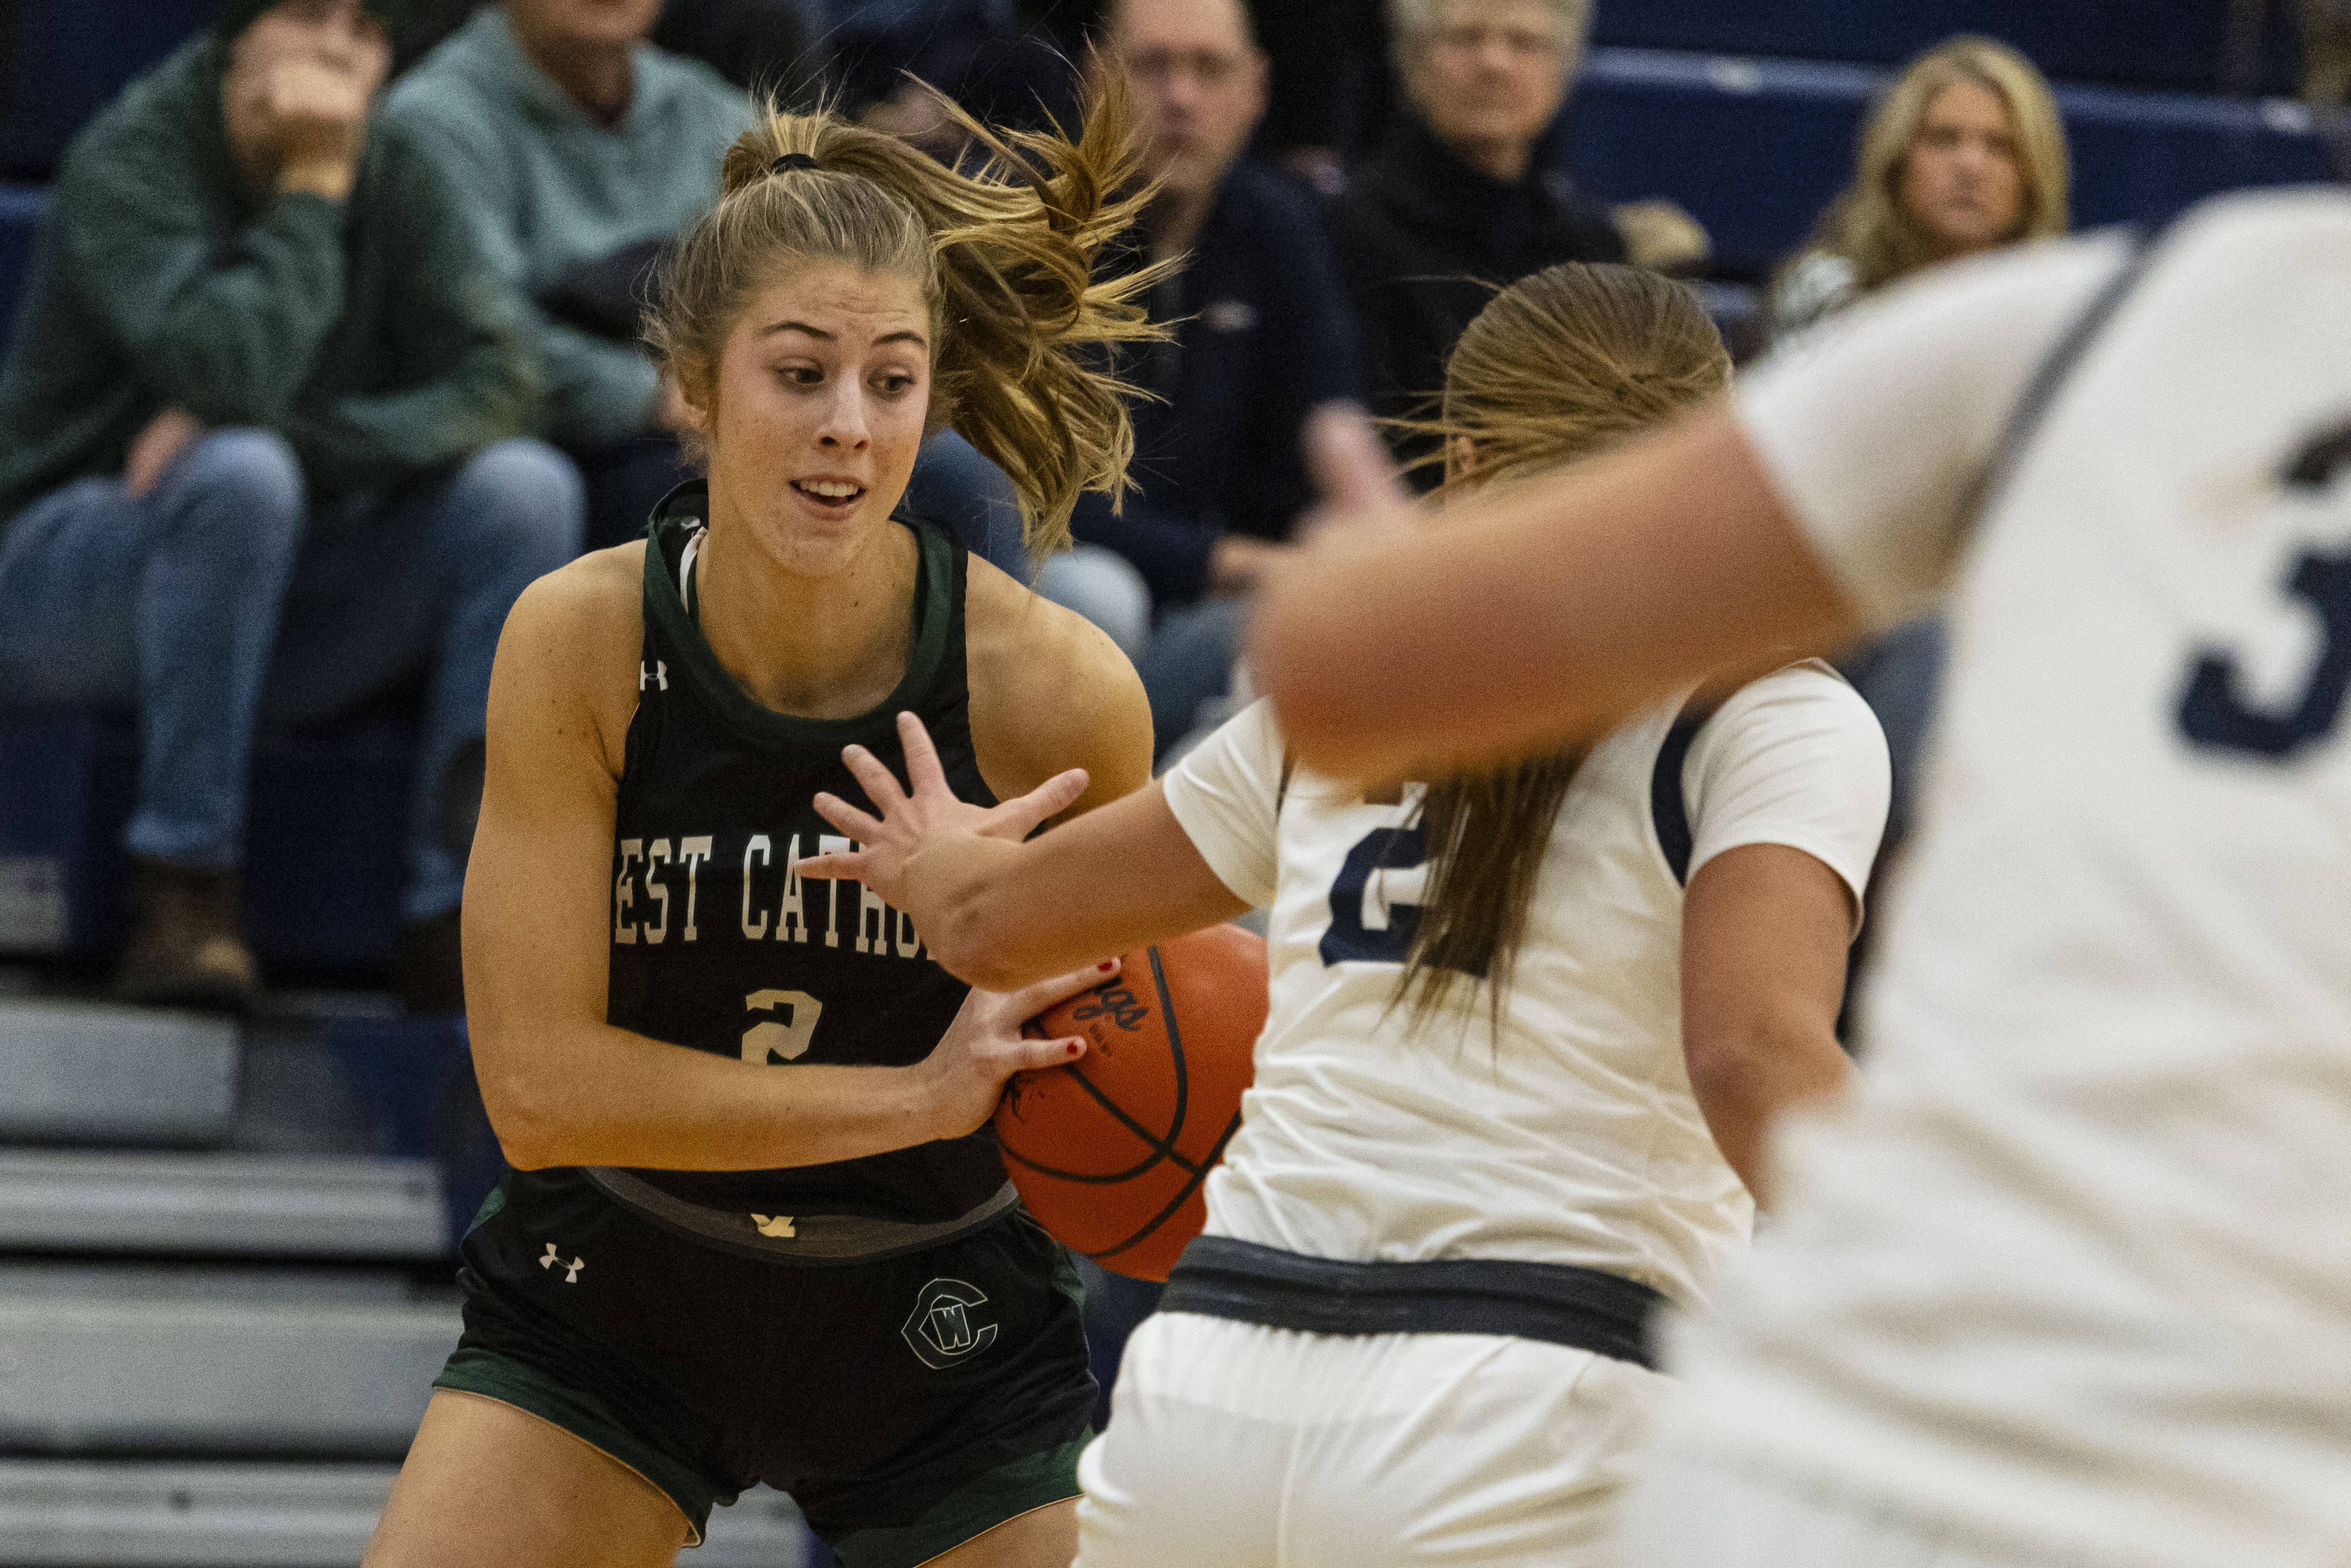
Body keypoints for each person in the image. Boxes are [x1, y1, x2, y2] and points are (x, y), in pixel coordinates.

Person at [1248, 190, 2351, 1568]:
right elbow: (1756, 1049)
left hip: (1839, 1434)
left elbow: (1340, 672)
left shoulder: (2085, 319)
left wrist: (1391, 578)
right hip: (2249, 1465)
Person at [799, 263, 1890, 1567]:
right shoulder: (1777, 717)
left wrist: (929, 856)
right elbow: (1753, 1056)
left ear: (1468, 461)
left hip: (1209, 1390)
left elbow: (990, 926)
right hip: (1540, 1402)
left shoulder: (1342, 707)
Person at [360, 82, 1163, 1568]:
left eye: (893, 381)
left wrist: (1019, 937)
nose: (848, 429)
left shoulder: (1056, 697)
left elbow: (1163, 1059)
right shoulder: (580, 641)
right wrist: (919, 1092)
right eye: (799, 374)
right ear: (694, 381)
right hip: (621, 1298)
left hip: (946, 1322)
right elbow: (536, 1089)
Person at [0, 0, 580, 1013]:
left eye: (363, 32)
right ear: (236, 40)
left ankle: (460, 914)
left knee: (526, 491)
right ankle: (183, 887)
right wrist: (313, 185)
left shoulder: (398, 163)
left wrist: (320, 446)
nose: (335, 52)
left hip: (277, 577)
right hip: (72, 578)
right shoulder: (131, 159)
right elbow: (230, 371)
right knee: (239, 472)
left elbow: (507, 379)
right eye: (307, 17)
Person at [1047, 0, 1364, 747]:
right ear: (1096, 80)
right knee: (1098, 596)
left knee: (1309, 613)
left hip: (1211, 607)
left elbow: (1328, 436)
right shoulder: (1027, 229)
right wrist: (1234, 563)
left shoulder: (1280, 233)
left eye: (1209, 69)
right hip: (1056, 590)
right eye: (1151, 67)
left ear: (1255, 89)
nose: (1181, 97)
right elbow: (1030, 501)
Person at [384, 0, 750, 551]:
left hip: (713, 424)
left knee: (919, 466)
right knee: (691, 496)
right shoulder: (430, 121)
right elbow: (481, 344)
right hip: (535, 453)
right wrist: (653, 397)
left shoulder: (711, 110)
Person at [1328, 0, 1621, 473]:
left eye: (1524, 42)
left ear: (1563, 68)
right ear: (1412, 59)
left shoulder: (1594, 248)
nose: (1495, 63)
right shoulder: (1344, 233)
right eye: (1465, 38)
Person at [1769, 34, 2069, 342]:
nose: (1971, 166)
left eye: (2000, 146)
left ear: (2033, 176)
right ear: (1896, 162)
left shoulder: (2065, 311)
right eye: (1943, 139)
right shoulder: (1830, 291)